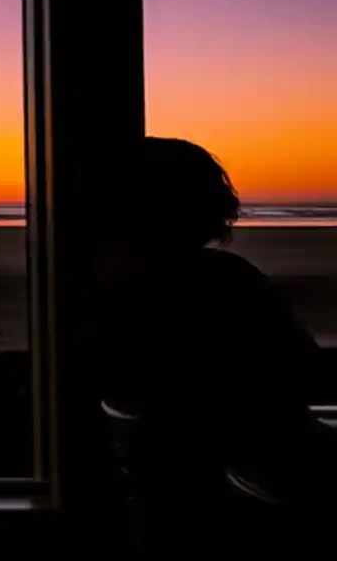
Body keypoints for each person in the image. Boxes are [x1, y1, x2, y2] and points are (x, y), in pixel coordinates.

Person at [95, 137, 331, 515]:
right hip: (263, 467)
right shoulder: (225, 281)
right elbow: (302, 370)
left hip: (184, 490)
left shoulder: (112, 289)